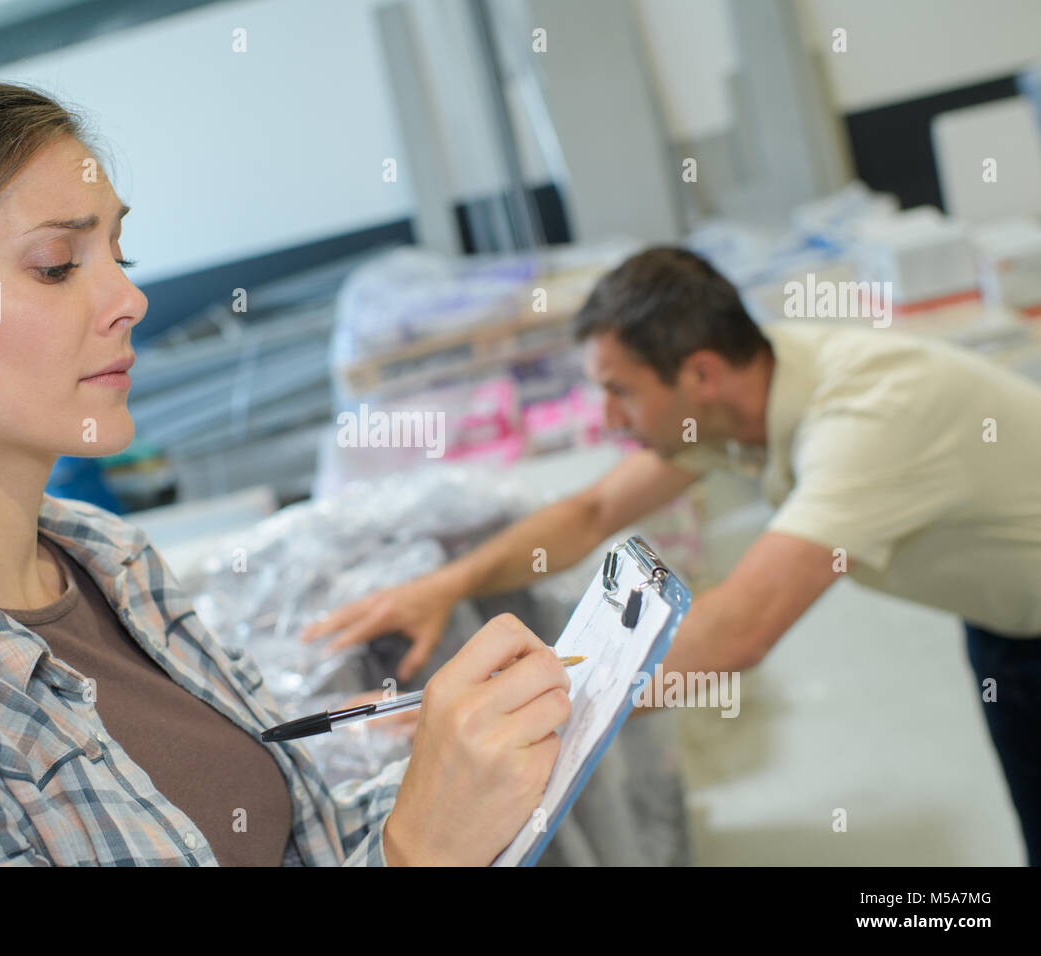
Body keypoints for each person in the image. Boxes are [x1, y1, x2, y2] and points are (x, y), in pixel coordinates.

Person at [0, 74, 572, 866]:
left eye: (119, 254)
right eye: (56, 265)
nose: (127, 299)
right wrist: (419, 850)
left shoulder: (108, 561)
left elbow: (300, 843)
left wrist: (454, 768)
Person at [304, 246, 1041, 866]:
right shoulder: (746, 390)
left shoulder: (869, 422)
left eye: (620, 391)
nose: (609, 419)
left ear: (699, 374)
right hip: (1005, 614)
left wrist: (509, 715)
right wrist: (444, 585)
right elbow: (590, 512)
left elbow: (735, 630)